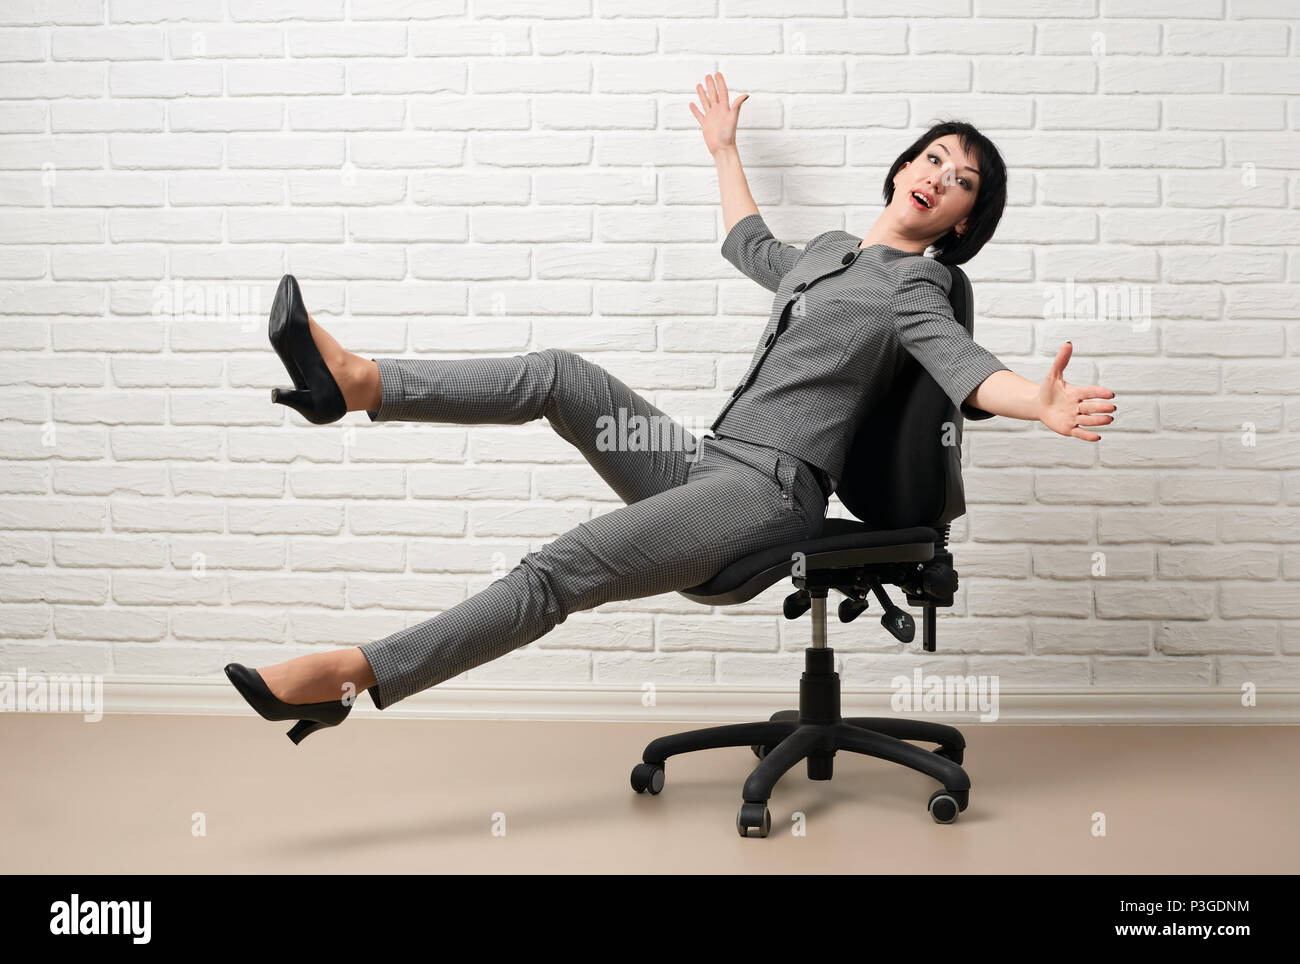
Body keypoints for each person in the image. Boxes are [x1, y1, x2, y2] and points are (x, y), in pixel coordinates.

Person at [225, 72, 1116, 743]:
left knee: (558, 568)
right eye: (931, 157)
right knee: (562, 376)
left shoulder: (920, 283)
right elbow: (751, 244)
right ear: (902, 167)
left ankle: (359, 672)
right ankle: (357, 384)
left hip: (771, 491)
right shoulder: (833, 254)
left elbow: (964, 366)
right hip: (705, 462)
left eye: (958, 179)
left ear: (962, 219)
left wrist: (1036, 403)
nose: (936, 175)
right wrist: (725, 149)